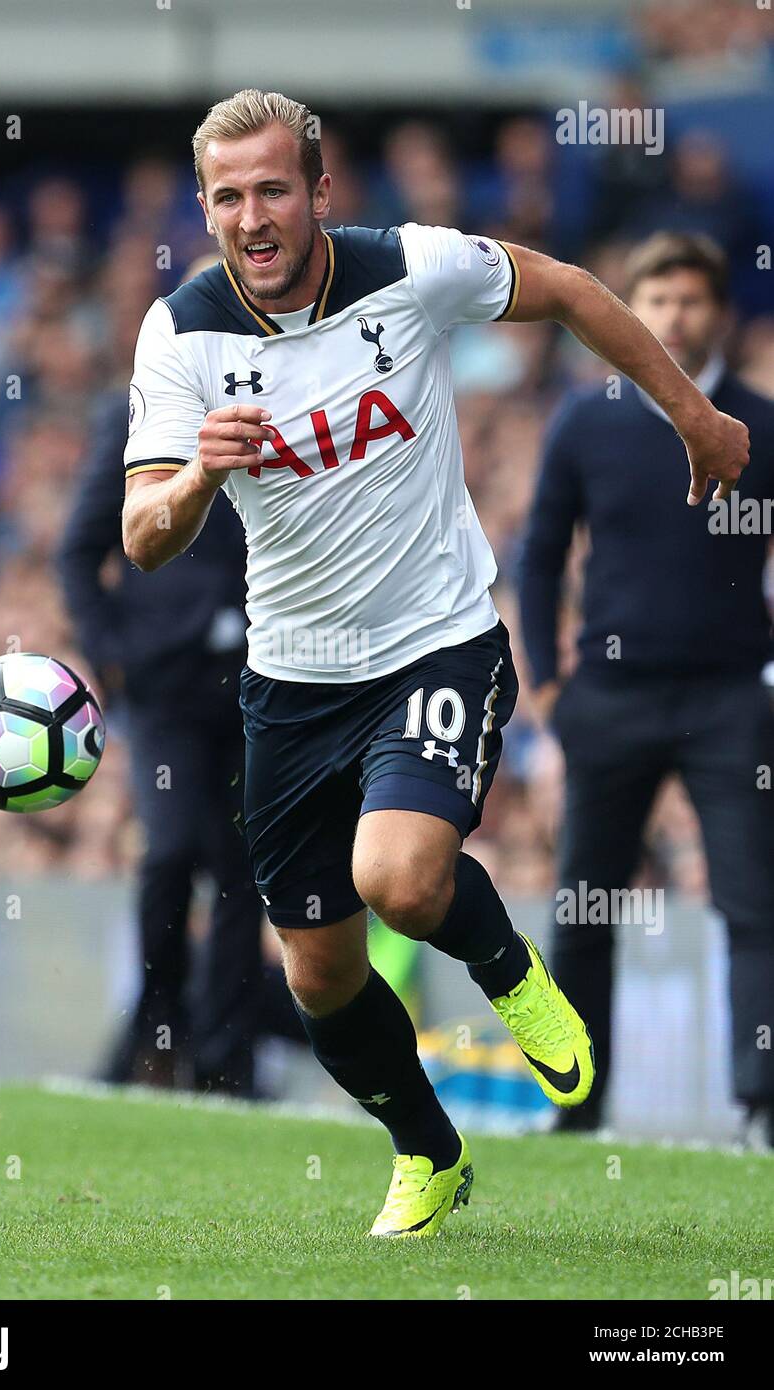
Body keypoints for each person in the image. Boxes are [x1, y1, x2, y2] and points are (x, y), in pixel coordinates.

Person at [120, 90, 749, 1237]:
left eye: (272, 189)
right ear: (204, 210)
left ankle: (511, 975)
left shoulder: (410, 268)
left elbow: (565, 289)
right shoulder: (181, 333)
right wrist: (195, 479)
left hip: (433, 640)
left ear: (318, 191)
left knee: (400, 878)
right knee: (315, 974)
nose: (251, 217)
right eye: (225, 197)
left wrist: (690, 414)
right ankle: (428, 1149)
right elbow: (140, 538)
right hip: (290, 681)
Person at [519, 233, 774, 1146]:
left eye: (691, 300)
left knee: (753, 906)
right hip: (611, 700)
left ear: (720, 312)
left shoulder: (759, 424)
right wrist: (546, 689)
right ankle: (574, 1106)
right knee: (583, 910)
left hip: (730, 701)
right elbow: (539, 557)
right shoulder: (586, 421)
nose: (673, 316)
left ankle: (760, 1105)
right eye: (654, 300)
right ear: (629, 312)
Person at [58, 385, 268, 1096]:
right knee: (170, 851)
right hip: (166, 690)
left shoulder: (289, 405)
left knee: (245, 871)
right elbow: (80, 548)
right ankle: (158, 1034)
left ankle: (227, 1064)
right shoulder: (138, 417)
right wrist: (111, 653)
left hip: (257, 682)